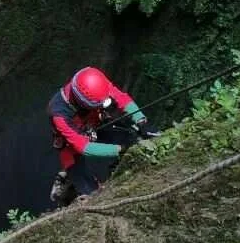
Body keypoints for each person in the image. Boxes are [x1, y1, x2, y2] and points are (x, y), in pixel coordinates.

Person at [48, 66, 160, 206]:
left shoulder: (94, 80)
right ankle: (68, 183)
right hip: (72, 145)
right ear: (84, 103)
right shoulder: (59, 113)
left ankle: (120, 168)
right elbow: (84, 147)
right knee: (91, 192)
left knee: (131, 138)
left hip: (96, 125)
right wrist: (120, 149)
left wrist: (141, 121)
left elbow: (120, 97)